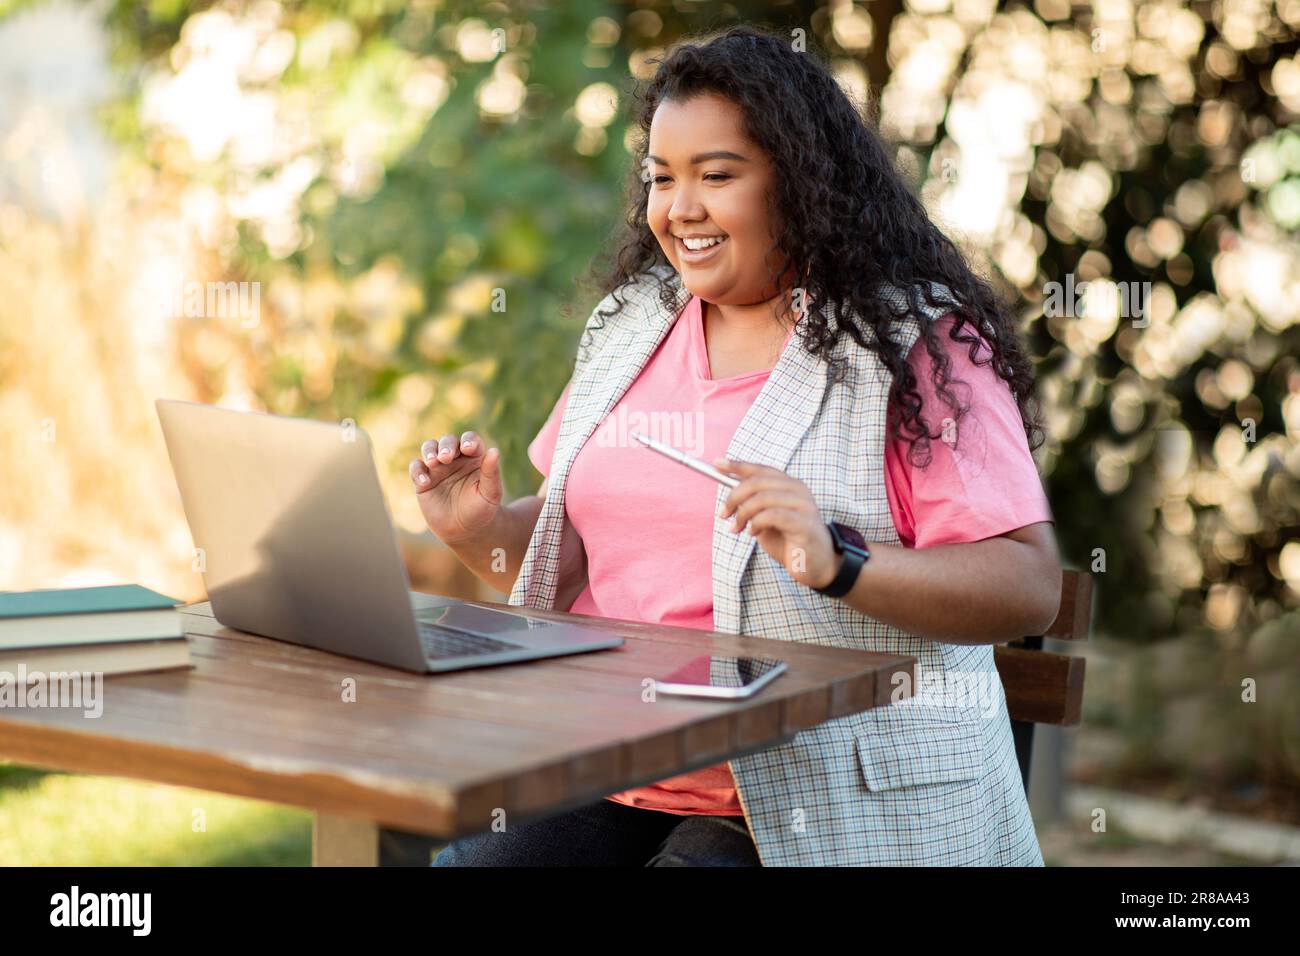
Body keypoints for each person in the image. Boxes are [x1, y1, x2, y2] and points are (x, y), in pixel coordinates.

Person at [408, 25, 1059, 867]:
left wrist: (843, 562)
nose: (681, 209)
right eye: (662, 179)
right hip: (617, 769)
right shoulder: (631, 327)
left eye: (717, 176)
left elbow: (1028, 586)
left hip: (812, 793)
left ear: (800, 183)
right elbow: (570, 561)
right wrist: (478, 531)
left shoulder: (913, 347)